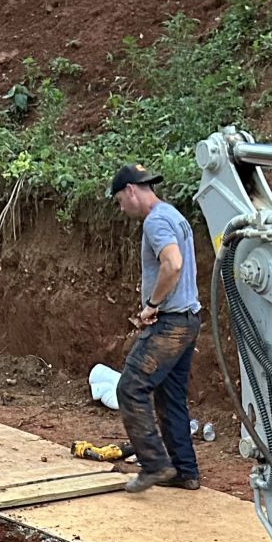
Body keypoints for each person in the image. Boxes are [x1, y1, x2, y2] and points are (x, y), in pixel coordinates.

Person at [108, 163, 203, 494]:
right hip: (188, 319)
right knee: (170, 395)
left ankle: (154, 464)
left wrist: (153, 304)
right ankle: (184, 471)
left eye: (120, 201)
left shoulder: (155, 221)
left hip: (171, 323)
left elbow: (172, 263)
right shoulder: (174, 215)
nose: (122, 209)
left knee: (130, 387)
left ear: (131, 190)